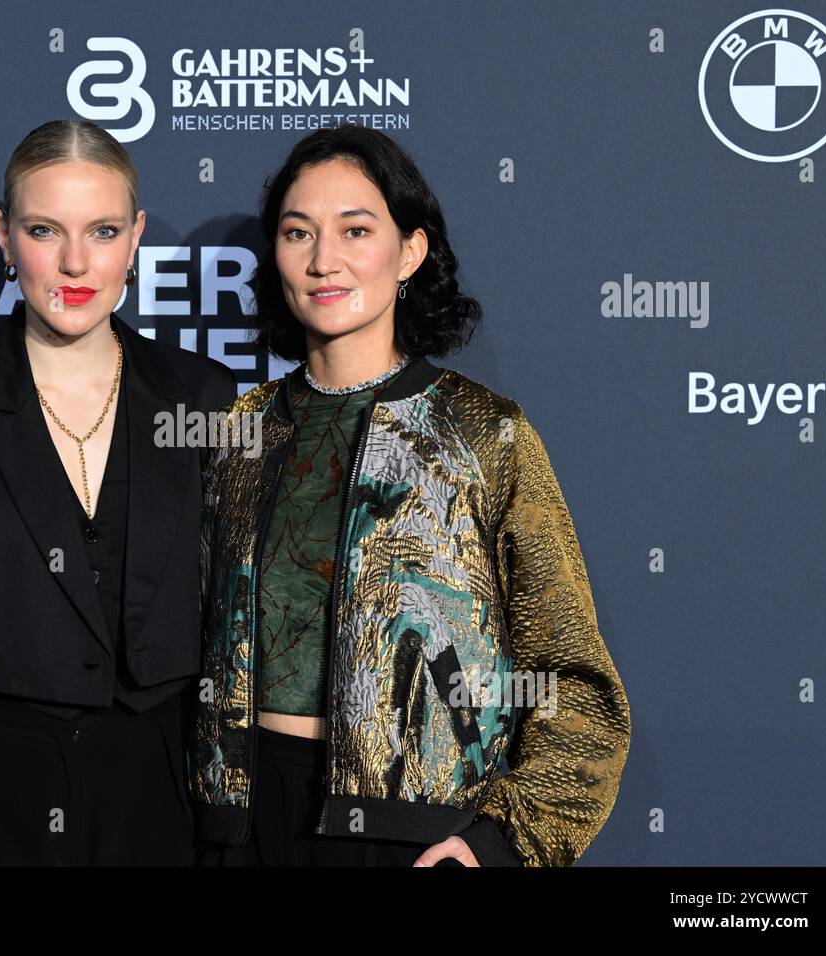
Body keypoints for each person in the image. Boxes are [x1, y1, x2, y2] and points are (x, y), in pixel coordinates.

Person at [191, 124, 631, 867]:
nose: (324, 260)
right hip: (240, 827)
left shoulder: (485, 435)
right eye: (299, 233)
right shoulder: (239, 431)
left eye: (355, 230)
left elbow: (573, 686)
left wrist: (498, 843)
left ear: (411, 251)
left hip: (415, 840)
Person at [0, 119, 236, 866]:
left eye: (101, 230)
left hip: (162, 799)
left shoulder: (202, 396)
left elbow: (234, 619)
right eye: (42, 229)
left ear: (136, 238)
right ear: (4, 238)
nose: (73, 262)